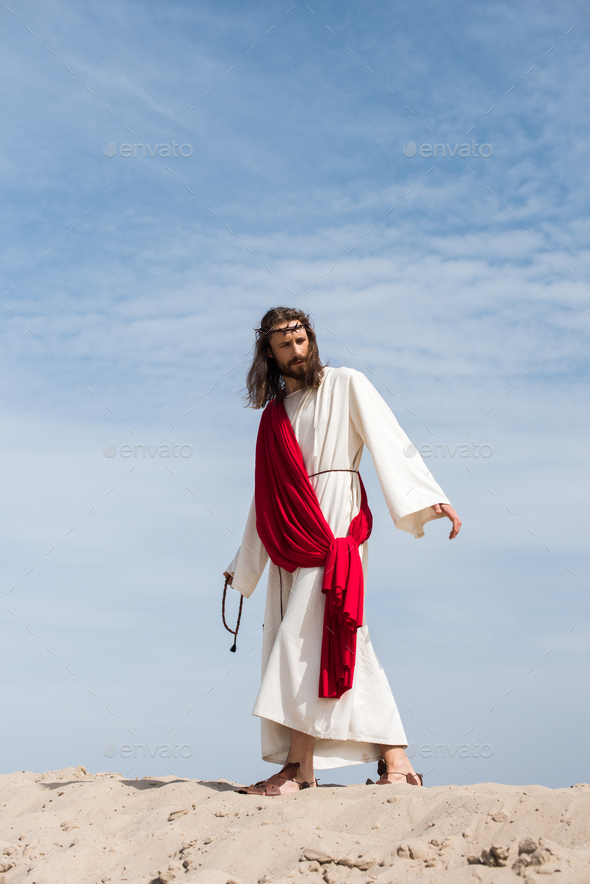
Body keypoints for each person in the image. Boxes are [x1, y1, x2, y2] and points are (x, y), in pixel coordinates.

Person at [224, 307, 461, 796]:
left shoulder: (346, 383)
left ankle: (296, 769)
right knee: (341, 644)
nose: (296, 348)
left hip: (333, 531)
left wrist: (426, 496)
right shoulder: (273, 418)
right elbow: (266, 494)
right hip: (290, 537)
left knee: (302, 642)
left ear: (311, 339)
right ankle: (397, 764)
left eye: (301, 337)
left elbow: (389, 440)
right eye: (284, 342)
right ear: (268, 353)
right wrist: (244, 565)